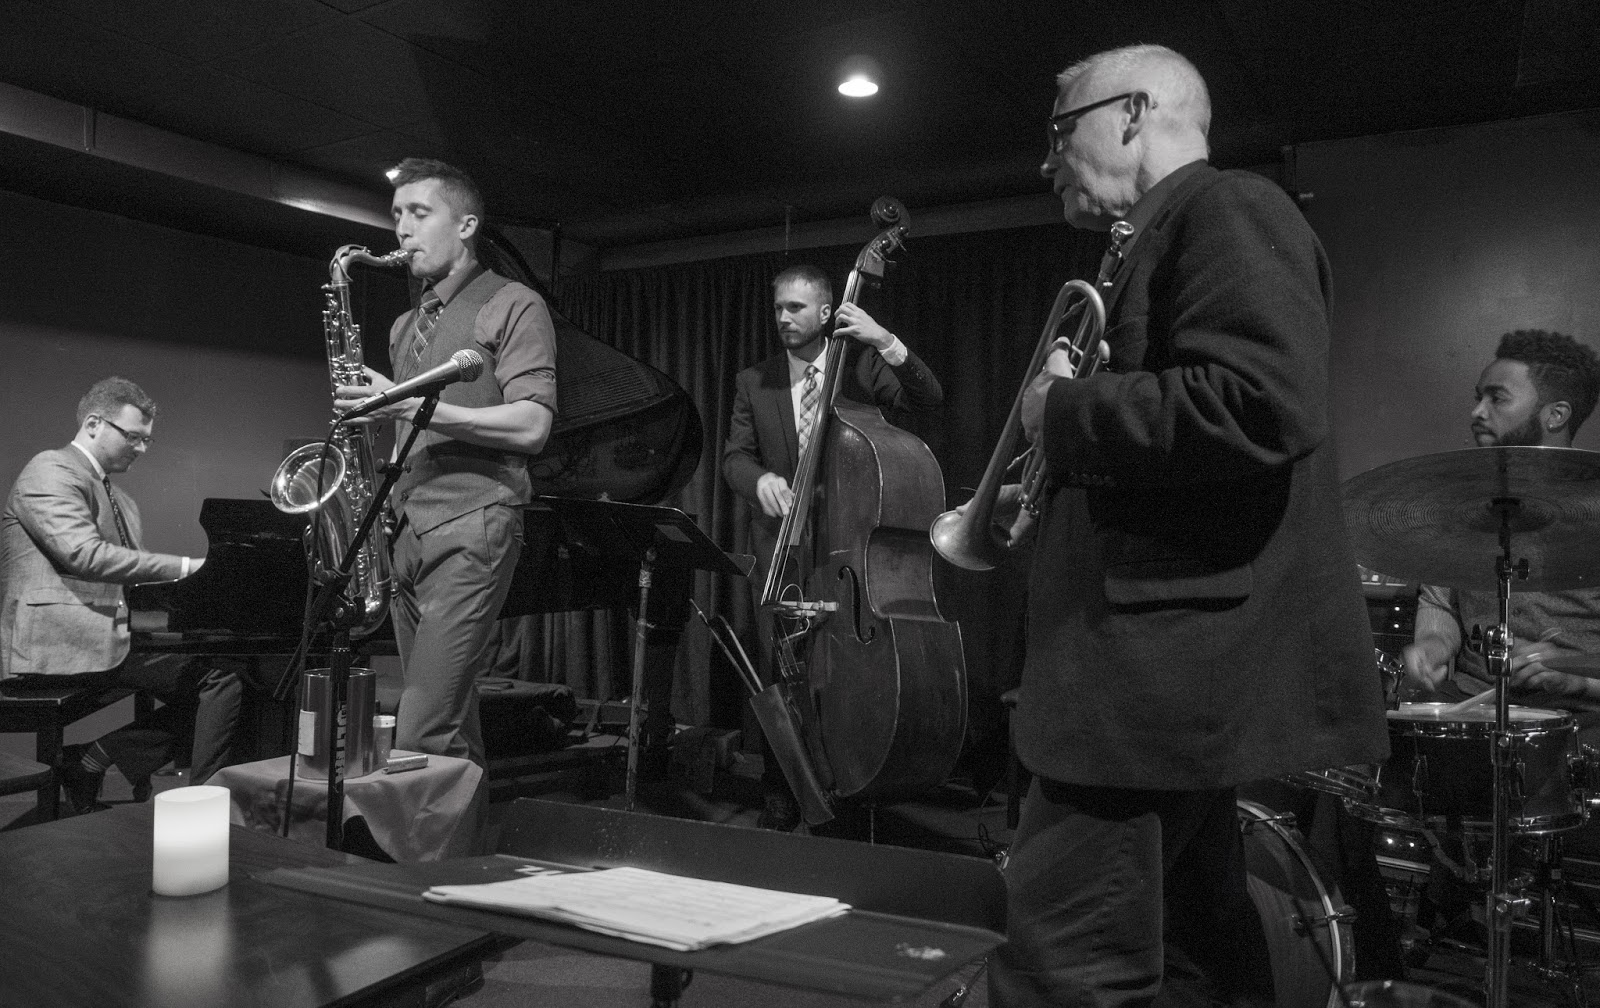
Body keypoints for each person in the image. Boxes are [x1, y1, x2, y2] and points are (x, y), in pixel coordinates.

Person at [989, 45, 1389, 1005]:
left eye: (1059, 131)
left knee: (1058, 968)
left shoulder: (1229, 207)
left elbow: (1260, 401)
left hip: (1151, 688)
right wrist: (1051, 487)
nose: (1046, 161)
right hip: (1171, 681)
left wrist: (1061, 414)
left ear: (1132, 114)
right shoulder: (1158, 233)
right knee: (1194, 959)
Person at [334, 158, 556, 765]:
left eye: (419, 213)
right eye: (397, 215)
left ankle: (416, 831)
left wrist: (410, 405)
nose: (402, 229)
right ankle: (465, 826)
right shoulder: (405, 325)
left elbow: (533, 424)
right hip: (407, 530)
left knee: (422, 730)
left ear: (466, 225)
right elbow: (409, 432)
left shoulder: (513, 302)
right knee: (453, 732)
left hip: (472, 523)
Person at [722, 263, 944, 829]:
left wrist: (886, 340)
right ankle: (782, 792)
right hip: (781, 546)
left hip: (847, 547)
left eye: (795, 308)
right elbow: (735, 458)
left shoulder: (860, 367)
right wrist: (759, 480)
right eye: (778, 307)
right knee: (780, 670)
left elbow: (928, 400)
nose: (783, 318)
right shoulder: (755, 380)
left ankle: (847, 779)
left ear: (826, 312)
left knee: (843, 668)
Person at [0, 377, 235, 814]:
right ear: (93, 424)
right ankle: (204, 805)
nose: (142, 448)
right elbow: (84, 555)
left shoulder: (123, 501)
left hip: (108, 632)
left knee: (241, 671)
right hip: (56, 641)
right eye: (133, 436)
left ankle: (96, 757)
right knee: (222, 678)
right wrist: (193, 567)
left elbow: (134, 582)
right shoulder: (49, 469)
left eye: (148, 440)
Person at [1403, 330, 1600, 713]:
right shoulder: (1458, 504)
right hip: (1472, 704)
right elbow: (1440, 602)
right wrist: (1432, 645)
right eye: (1479, 397)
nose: (1477, 412)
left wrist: (1575, 676)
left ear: (1555, 415)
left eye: (1497, 398)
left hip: (1581, 718)